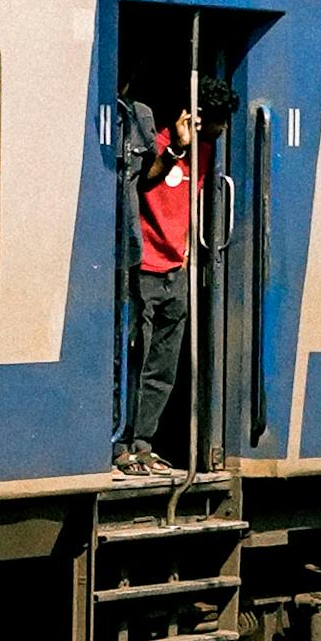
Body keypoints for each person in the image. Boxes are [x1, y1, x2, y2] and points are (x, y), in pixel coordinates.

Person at [118, 110, 193, 473]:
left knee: (162, 367)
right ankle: (122, 445)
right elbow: (144, 181)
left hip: (176, 273)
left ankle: (143, 444)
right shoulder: (154, 146)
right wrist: (175, 151)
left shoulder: (207, 151)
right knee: (135, 359)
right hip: (144, 269)